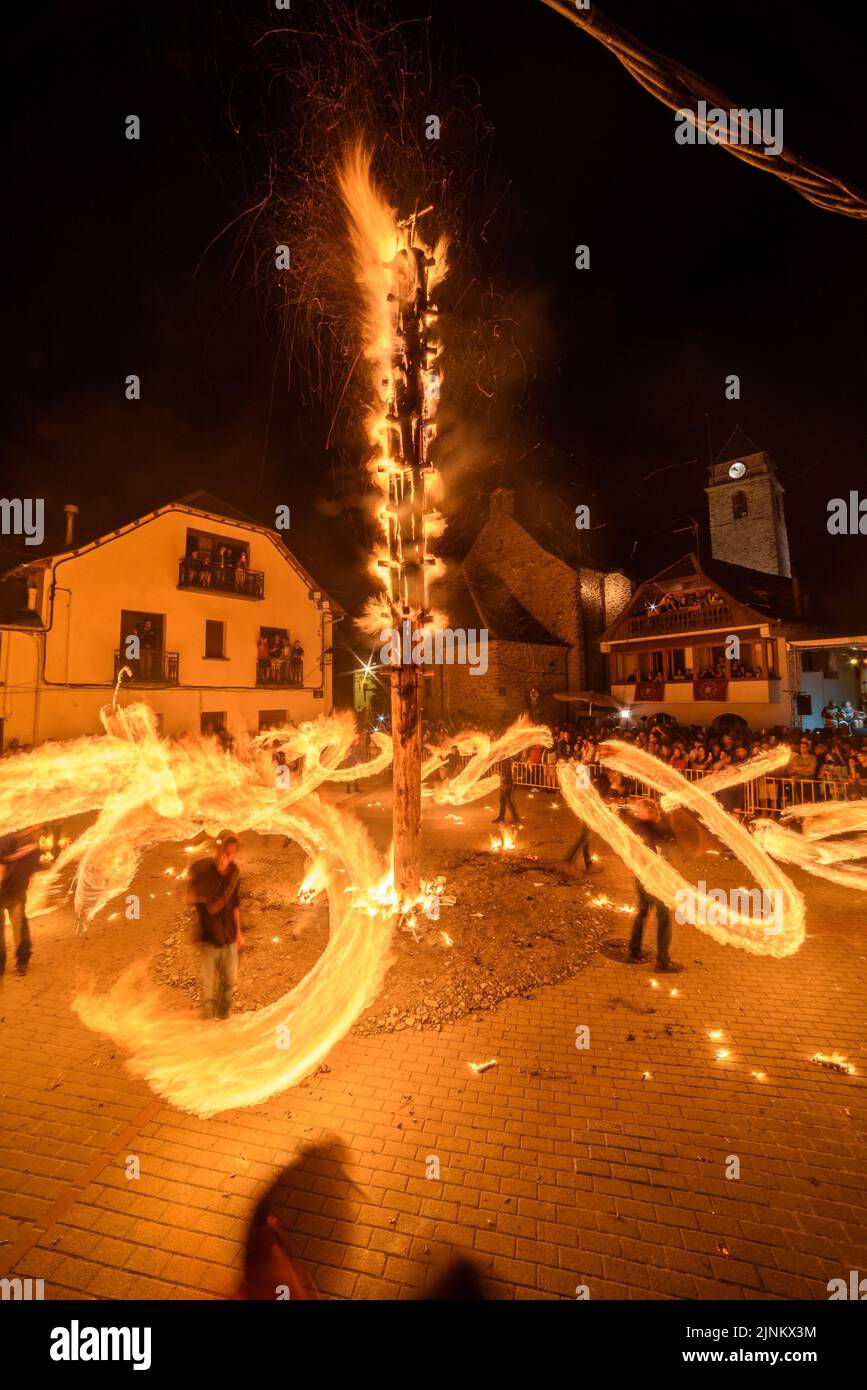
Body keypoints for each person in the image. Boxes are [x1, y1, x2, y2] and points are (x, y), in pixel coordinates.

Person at [189, 833, 244, 1020]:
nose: (227, 857)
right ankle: (206, 1025)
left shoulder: (234, 873)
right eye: (225, 852)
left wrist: (239, 933)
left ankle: (223, 1018)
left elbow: (235, 904)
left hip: (229, 936)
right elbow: (200, 901)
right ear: (217, 850)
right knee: (208, 988)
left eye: (231, 854)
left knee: (229, 982)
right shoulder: (203, 872)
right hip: (210, 938)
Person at [627, 798, 680, 972]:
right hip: (655, 878)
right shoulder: (653, 829)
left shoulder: (634, 828)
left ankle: (634, 952)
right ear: (651, 812)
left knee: (642, 912)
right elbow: (668, 847)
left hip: (640, 876)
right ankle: (662, 961)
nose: (636, 810)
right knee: (663, 916)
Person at [0, 826, 42, 976]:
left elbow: (33, 852)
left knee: (19, 925)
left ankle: (22, 961)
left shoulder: (16, 833)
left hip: (14, 888)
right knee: (18, 925)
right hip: (13, 886)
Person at [493, 760, 520, 825]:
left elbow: (507, 771)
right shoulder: (503, 760)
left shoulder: (506, 760)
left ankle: (515, 817)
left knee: (508, 801)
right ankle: (501, 817)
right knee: (502, 801)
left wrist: (504, 779)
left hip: (507, 783)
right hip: (504, 782)